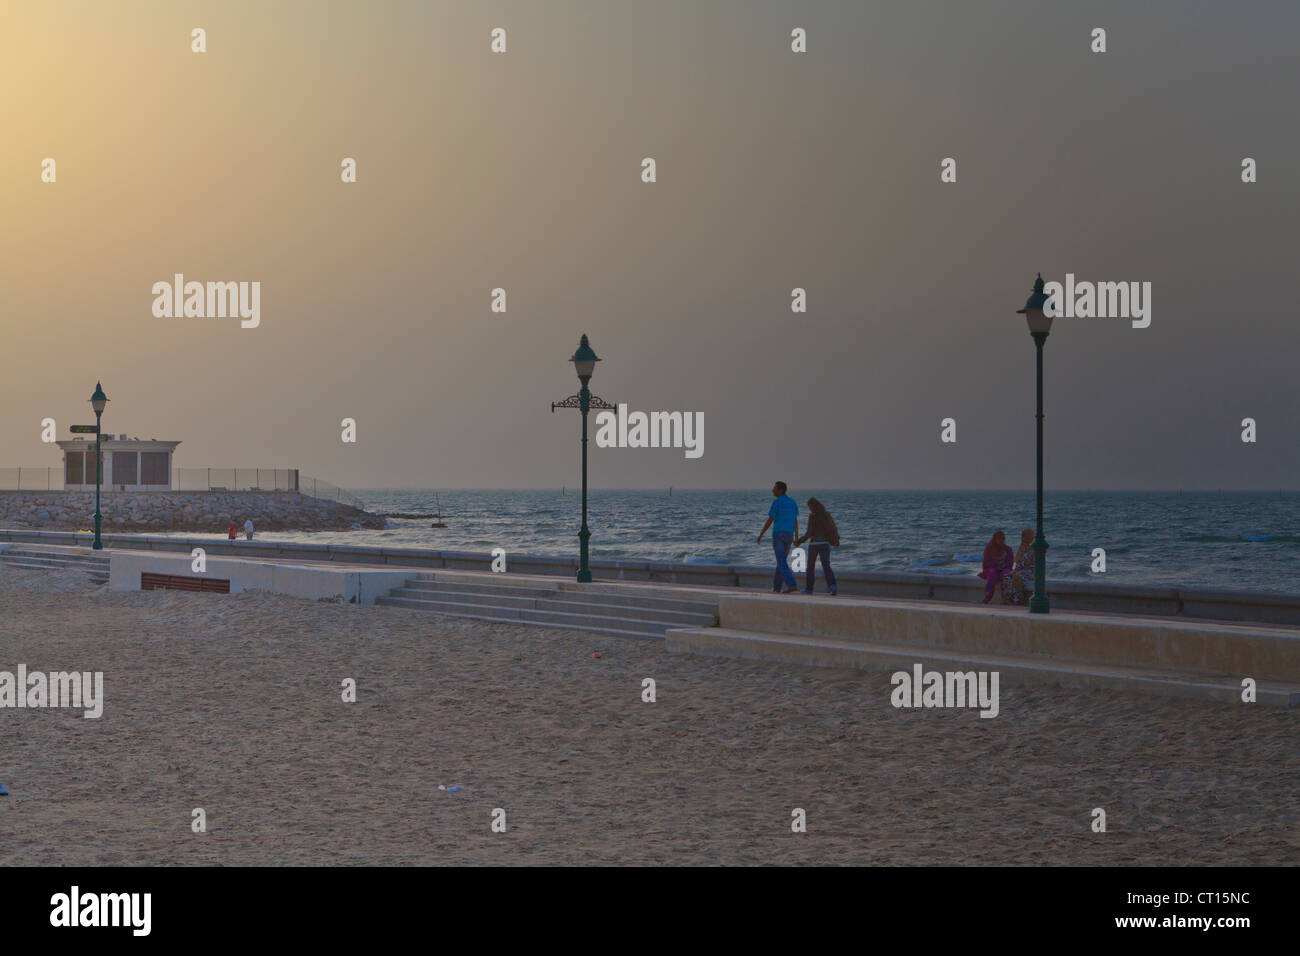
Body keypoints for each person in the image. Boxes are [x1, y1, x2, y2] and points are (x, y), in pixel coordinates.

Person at [756, 481, 799, 593]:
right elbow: (795, 521)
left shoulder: (777, 502)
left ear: (780, 490)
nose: (772, 490)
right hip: (789, 535)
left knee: (781, 561)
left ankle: (791, 584)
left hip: (779, 534)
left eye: (774, 488)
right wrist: (796, 536)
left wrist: (761, 533)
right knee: (781, 561)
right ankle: (777, 587)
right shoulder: (792, 502)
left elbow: (770, 519)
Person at [796, 497, 839, 595]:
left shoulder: (812, 516)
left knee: (810, 567)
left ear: (812, 506)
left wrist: (799, 541)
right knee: (826, 566)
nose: (809, 509)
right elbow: (833, 528)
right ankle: (832, 586)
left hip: (814, 544)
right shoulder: (827, 515)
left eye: (809, 507)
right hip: (825, 544)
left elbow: (809, 533)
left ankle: (809, 589)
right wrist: (836, 540)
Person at [978, 530, 1013, 604]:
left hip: (1003, 570)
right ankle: (988, 596)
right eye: (999, 538)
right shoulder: (989, 549)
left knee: (1006, 574)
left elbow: (1010, 563)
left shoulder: (1008, 549)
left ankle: (1005, 598)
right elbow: (986, 563)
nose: (1001, 540)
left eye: (1003, 538)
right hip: (991, 570)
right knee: (992, 573)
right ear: (995, 539)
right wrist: (996, 567)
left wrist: (1002, 568)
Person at [1009, 528, 1035, 606]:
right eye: (1022, 535)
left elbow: (1033, 566)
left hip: (1031, 572)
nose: (1022, 537)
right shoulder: (1022, 548)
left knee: (1018, 577)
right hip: (1021, 571)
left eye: (1024, 535)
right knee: (1007, 577)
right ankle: (1008, 599)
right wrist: (1015, 570)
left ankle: (1019, 600)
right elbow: (1018, 562)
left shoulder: (1034, 549)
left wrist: (1019, 572)